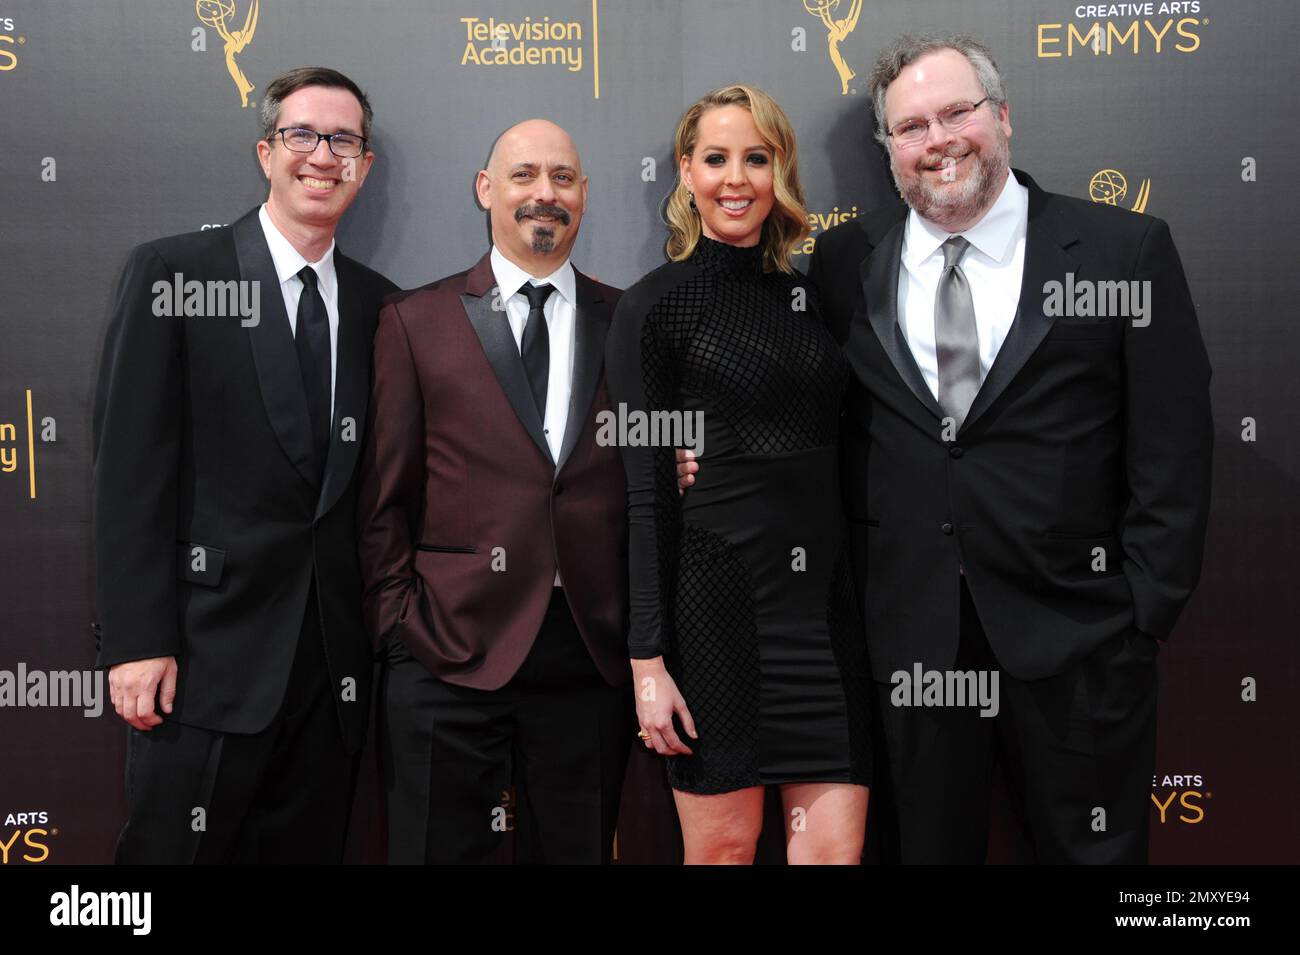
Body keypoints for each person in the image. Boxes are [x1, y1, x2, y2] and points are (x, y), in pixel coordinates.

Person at [684, 34, 1212, 863]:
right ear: (889, 149)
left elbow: (1173, 449)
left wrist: (1140, 611)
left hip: (1079, 639)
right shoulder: (846, 262)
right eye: (910, 127)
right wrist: (699, 454)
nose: (938, 141)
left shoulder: (1121, 251)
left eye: (957, 112)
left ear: (1001, 116)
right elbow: (797, 403)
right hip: (909, 639)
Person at [93, 67, 397, 863]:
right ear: (267, 152)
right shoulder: (177, 275)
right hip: (199, 665)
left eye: (343, 141)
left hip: (330, 680)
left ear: (363, 166)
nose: (323, 155)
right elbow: (131, 473)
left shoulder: (381, 308)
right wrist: (134, 639)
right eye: (303, 134)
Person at [356, 119, 632, 865]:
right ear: (486, 190)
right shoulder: (414, 321)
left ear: (583, 195)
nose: (545, 194)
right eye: (524, 175)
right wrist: (401, 624)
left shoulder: (630, 321)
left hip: (589, 656)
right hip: (446, 650)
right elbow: (384, 495)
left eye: (564, 178)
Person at [608, 85, 871, 865]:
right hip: (714, 614)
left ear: (779, 170)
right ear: (685, 172)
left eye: (756, 158)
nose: (736, 178)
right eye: (716, 158)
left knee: (831, 855)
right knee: (722, 852)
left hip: (824, 615)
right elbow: (648, 493)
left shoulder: (815, 296)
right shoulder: (655, 307)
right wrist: (648, 661)